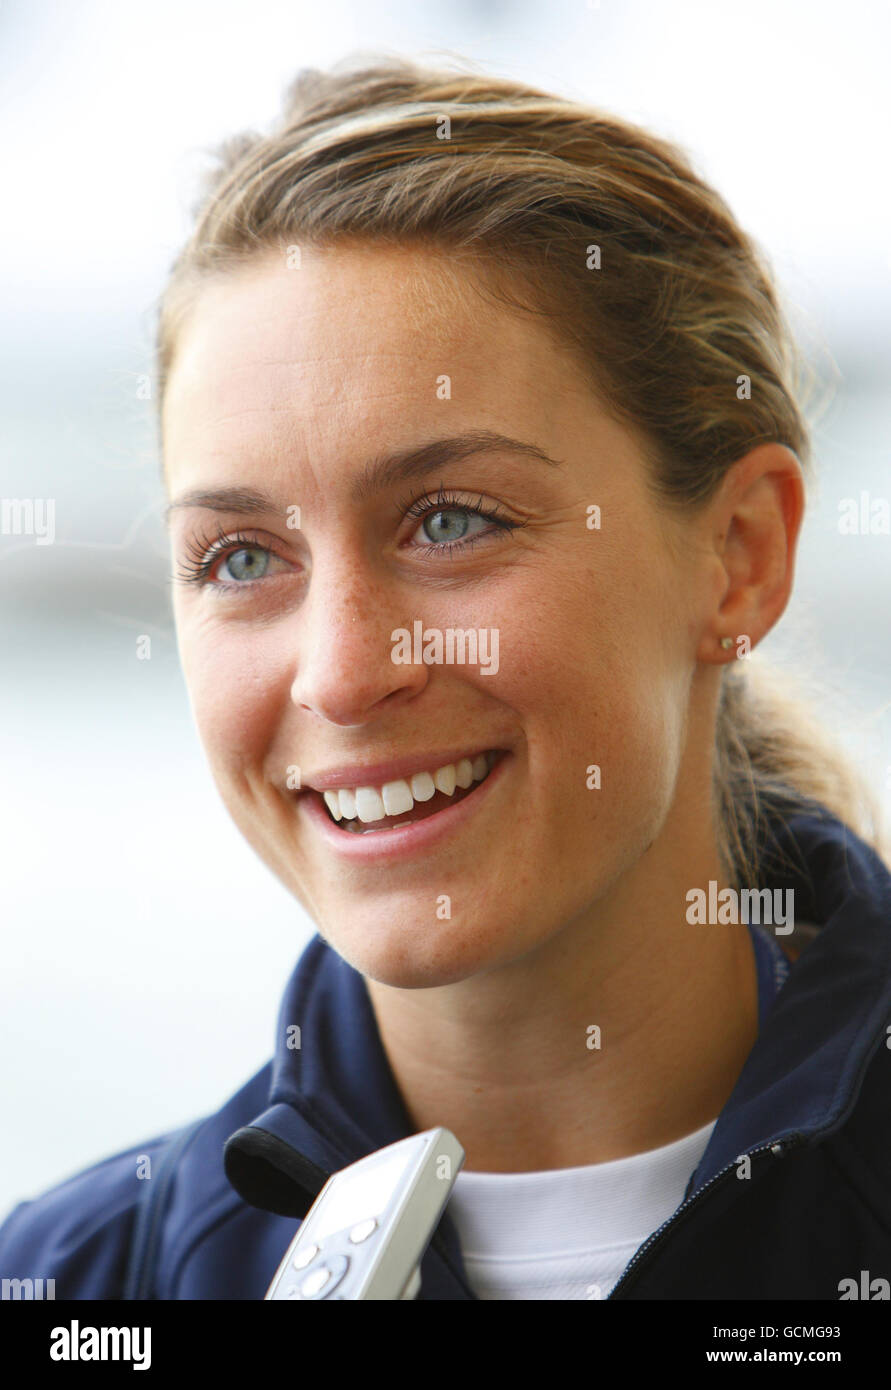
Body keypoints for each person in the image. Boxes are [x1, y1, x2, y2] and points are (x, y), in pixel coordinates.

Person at [2, 55, 889, 1302]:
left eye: (452, 521)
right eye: (242, 555)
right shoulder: (70, 1286)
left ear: (739, 556)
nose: (344, 674)